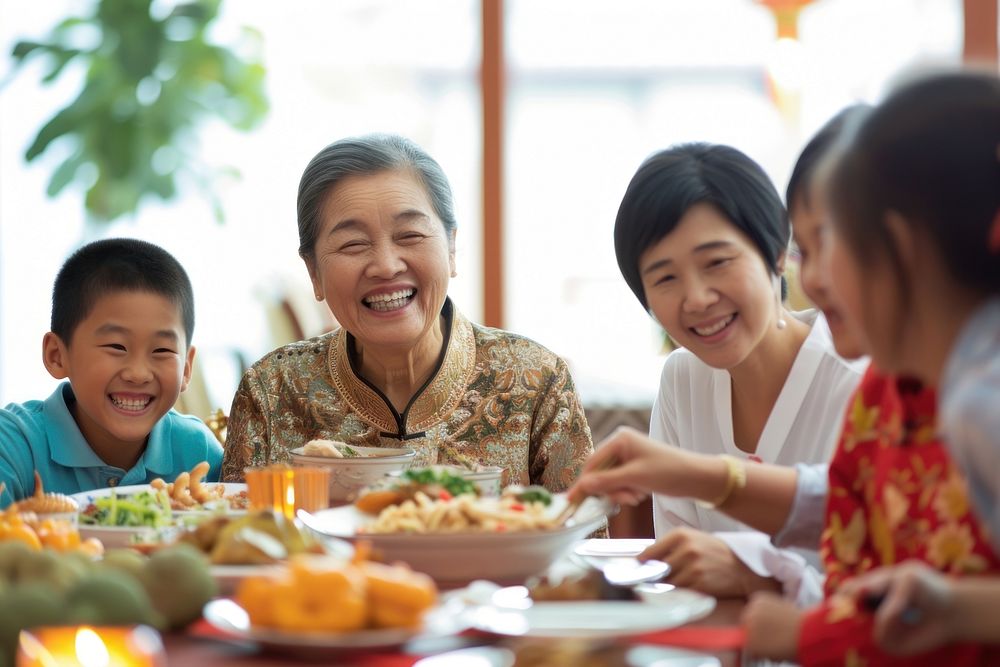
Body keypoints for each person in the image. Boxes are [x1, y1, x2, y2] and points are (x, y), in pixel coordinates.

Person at [741, 70, 1000, 665]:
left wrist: (812, 636)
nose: (815, 280)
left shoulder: (980, 398)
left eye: (831, 242)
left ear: (897, 247)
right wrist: (952, 607)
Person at [221, 134, 594, 493]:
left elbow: (584, 546)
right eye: (353, 244)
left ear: (451, 247)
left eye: (410, 235)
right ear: (313, 272)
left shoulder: (537, 382)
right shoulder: (271, 391)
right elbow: (233, 546)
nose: (385, 266)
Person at [571, 106, 871, 549]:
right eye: (665, 278)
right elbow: (684, 560)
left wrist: (747, 572)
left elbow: (864, 560)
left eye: (717, 262)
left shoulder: (858, 382)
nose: (696, 298)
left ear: (775, 256)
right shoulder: (683, 379)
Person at [0, 238, 223, 507]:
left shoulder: (199, 452)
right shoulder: (13, 447)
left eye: (162, 350)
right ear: (57, 355)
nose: (139, 373)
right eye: (116, 346)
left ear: (186, 367)